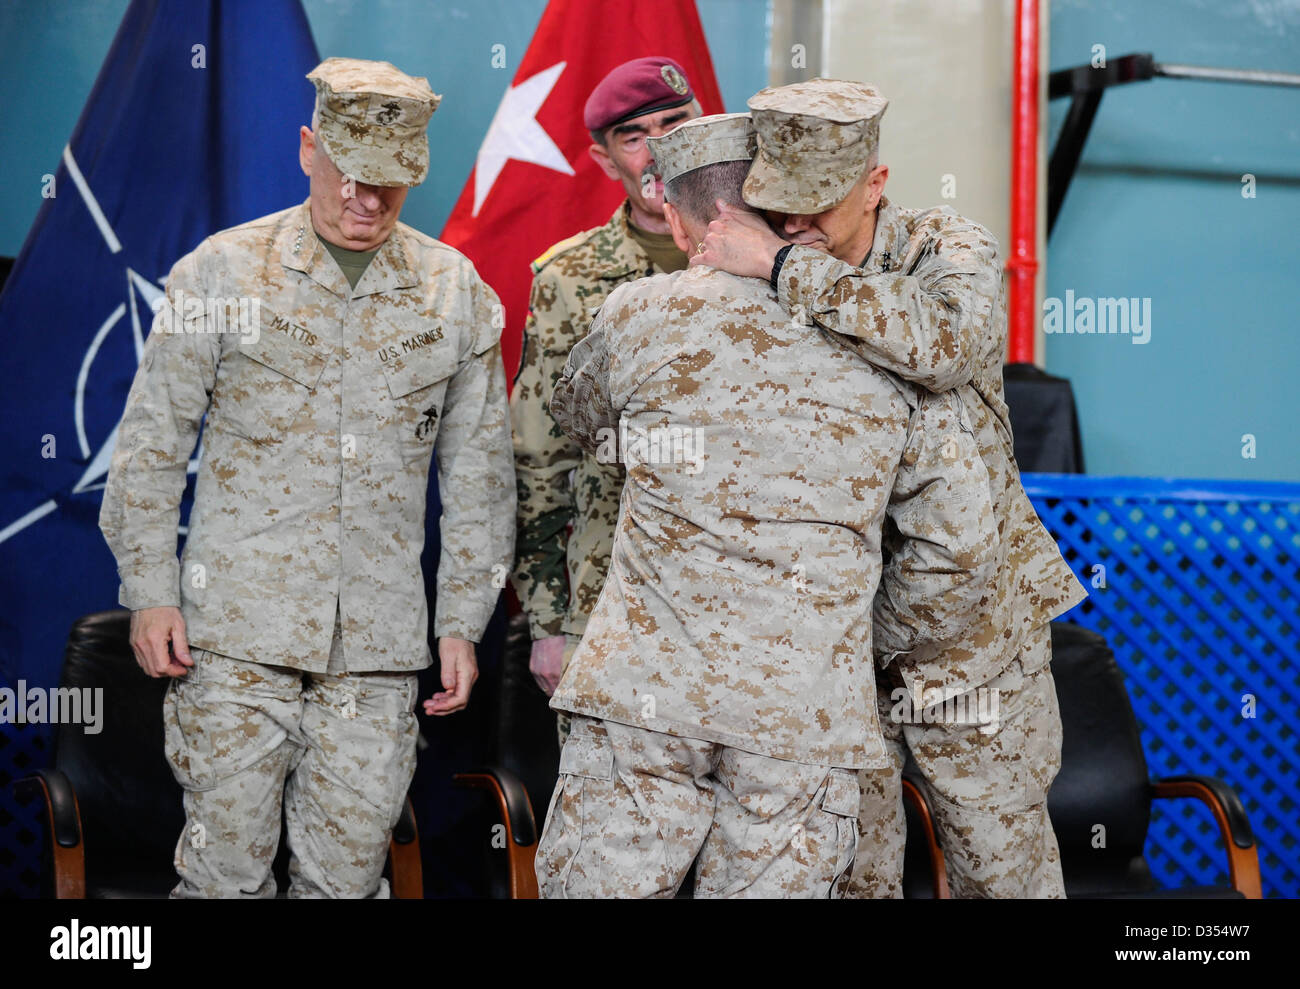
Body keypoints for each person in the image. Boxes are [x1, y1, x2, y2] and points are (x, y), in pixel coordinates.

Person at [534, 113, 1001, 898]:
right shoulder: (885, 337)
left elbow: (586, 424)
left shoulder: (634, 315)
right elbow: (956, 548)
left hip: (646, 698)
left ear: (686, 222)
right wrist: (851, 635)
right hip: (804, 711)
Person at [99, 57, 515, 898]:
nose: (368, 203)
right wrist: (149, 590)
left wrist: (462, 621)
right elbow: (149, 446)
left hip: (374, 656)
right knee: (224, 880)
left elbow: (479, 476)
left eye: (391, 186)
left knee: (347, 884)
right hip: (232, 641)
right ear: (306, 150)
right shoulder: (222, 272)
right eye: (352, 178)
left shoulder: (454, 292)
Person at [695, 78, 1088, 898]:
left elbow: (941, 342)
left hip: (971, 645)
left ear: (875, 183)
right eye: (779, 207)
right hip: (837, 657)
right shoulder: (753, 273)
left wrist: (778, 264)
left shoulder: (945, 244)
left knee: (1003, 875)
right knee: (852, 878)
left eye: (817, 205)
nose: (797, 226)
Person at [509, 56, 701, 721]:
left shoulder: (780, 260)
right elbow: (541, 457)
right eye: (634, 136)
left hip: (757, 606)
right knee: (615, 818)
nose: (660, 150)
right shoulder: (570, 280)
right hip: (612, 600)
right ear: (603, 158)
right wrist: (547, 620)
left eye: (676, 123)